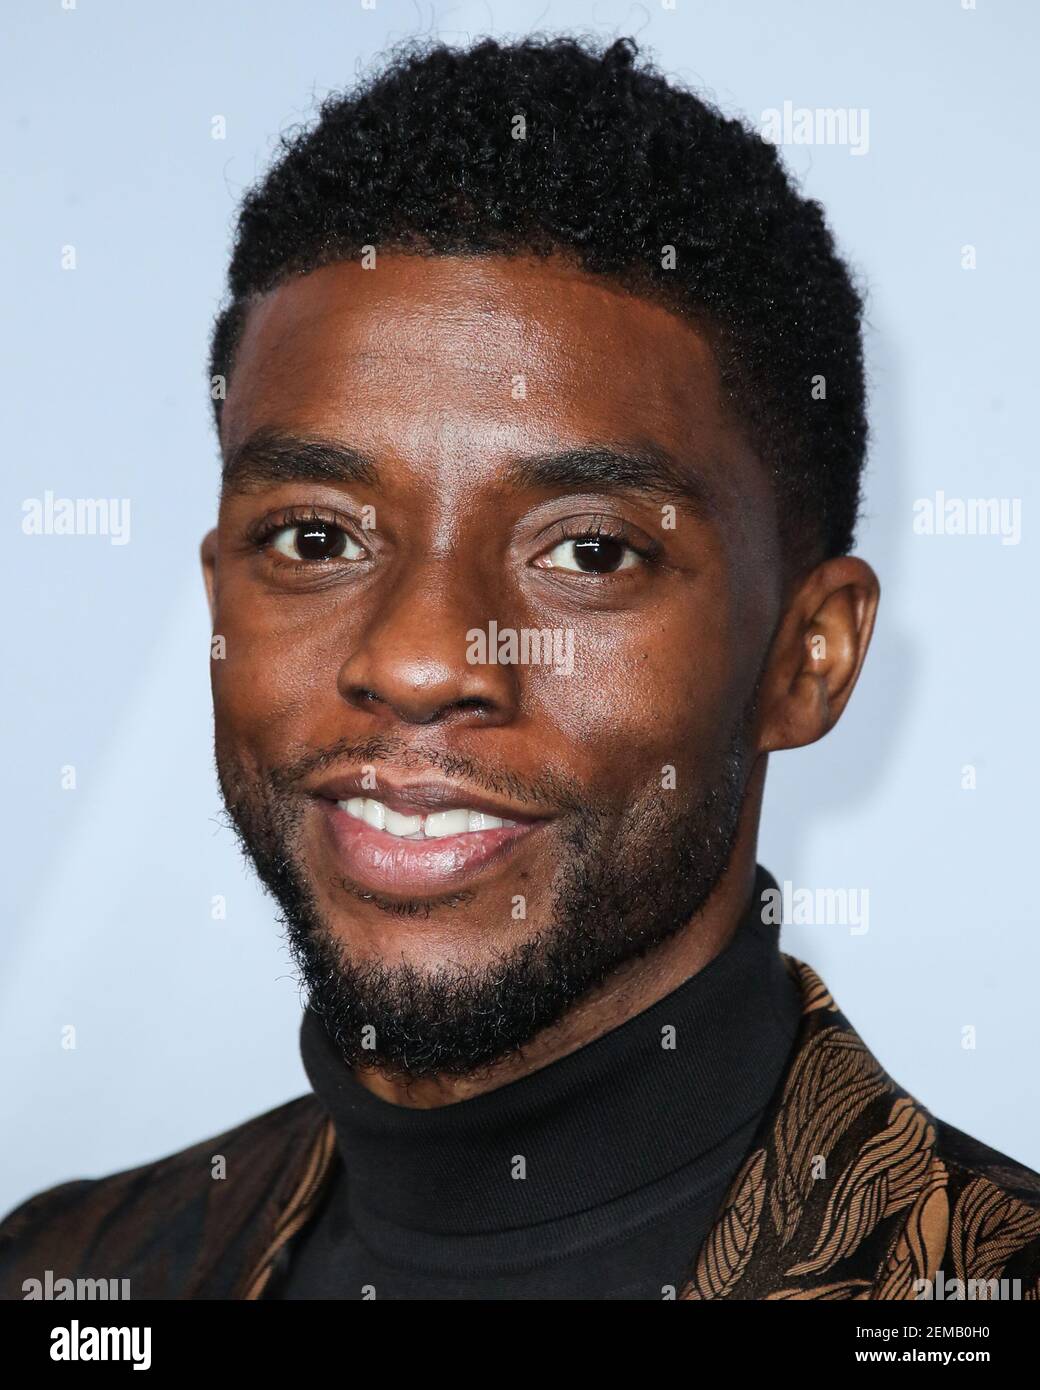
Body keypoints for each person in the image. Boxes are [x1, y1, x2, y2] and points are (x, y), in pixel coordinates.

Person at [3, 34, 1038, 1302]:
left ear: (805, 659)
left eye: (589, 551)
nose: (423, 659)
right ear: (220, 585)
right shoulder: (70, 1279)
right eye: (315, 536)